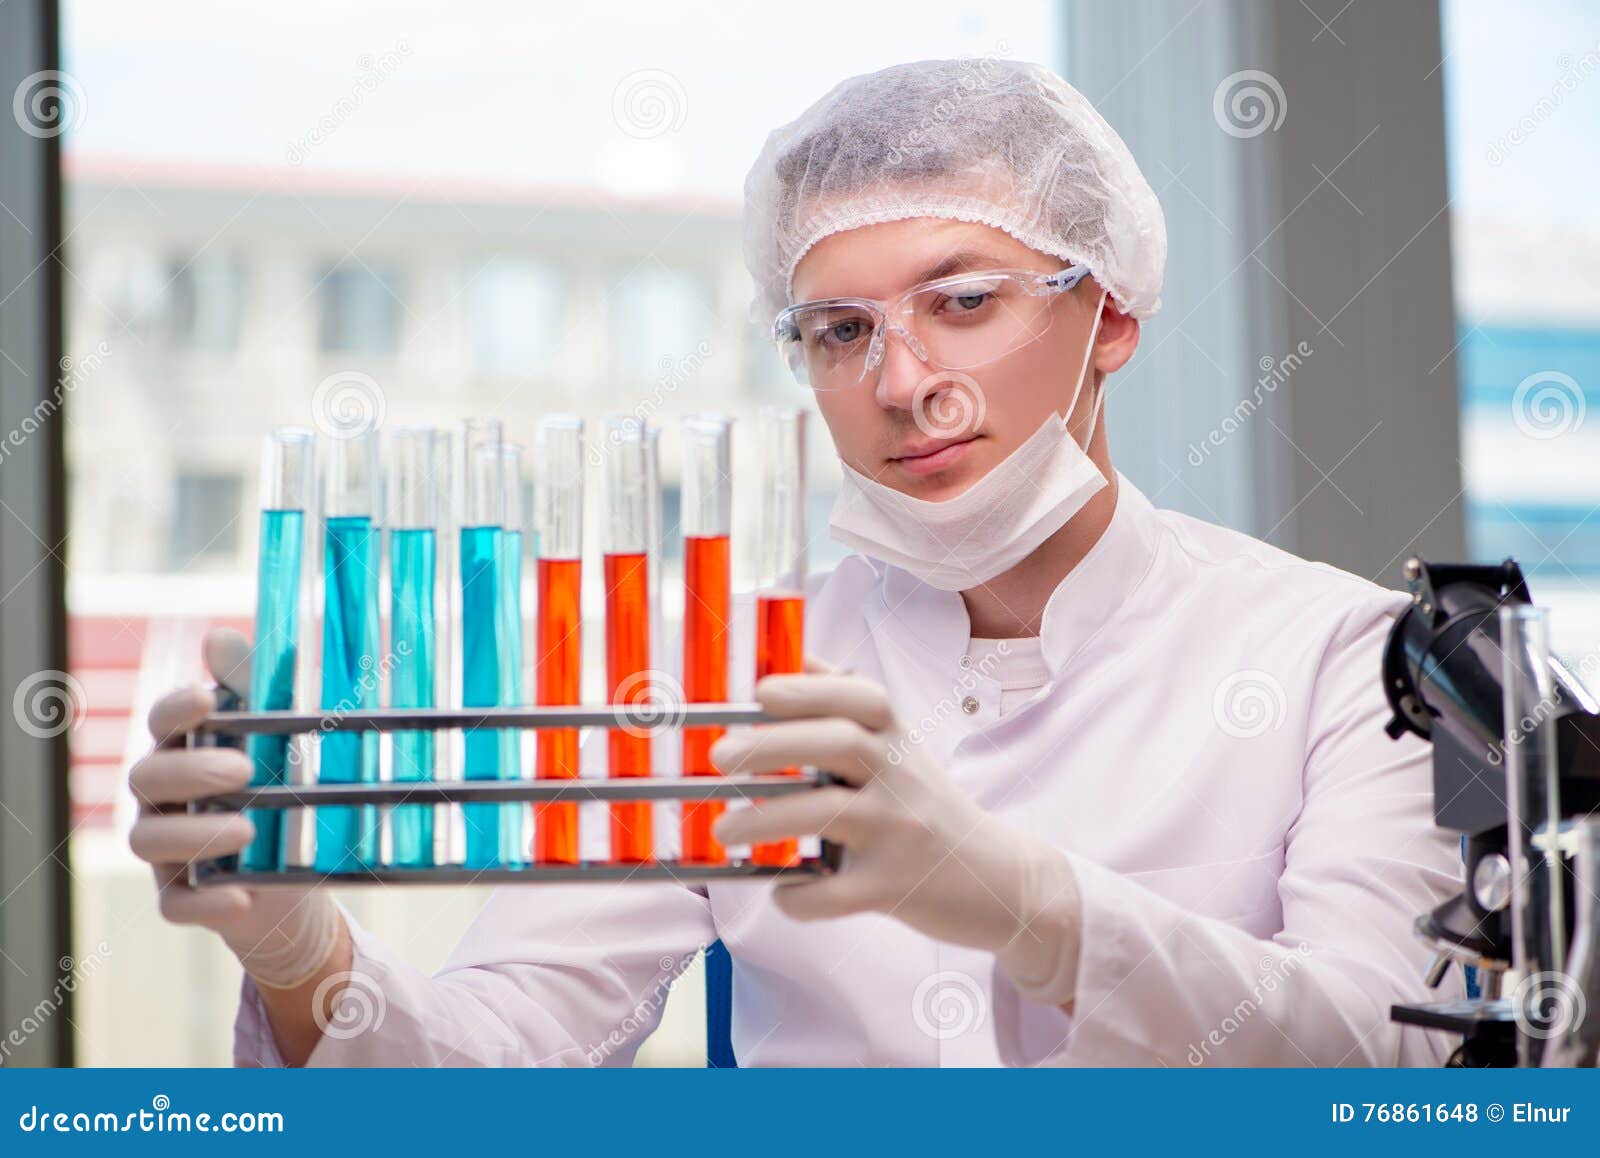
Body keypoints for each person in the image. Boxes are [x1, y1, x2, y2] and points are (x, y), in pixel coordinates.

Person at [129, 58, 1462, 1067]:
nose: (900, 381)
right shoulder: (722, 678)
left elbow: (1388, 1058)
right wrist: (303, 953)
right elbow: (497, 1060)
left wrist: (1029, 903)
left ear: (1108, 310)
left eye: (962, 301)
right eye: (837, 330)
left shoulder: (1342, 661)